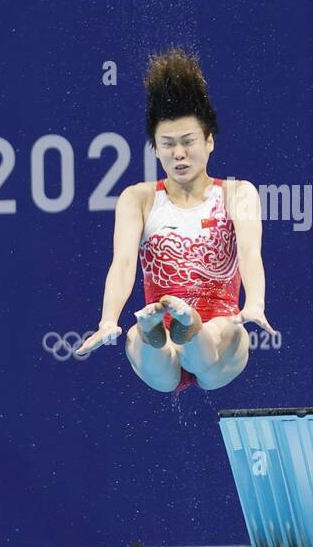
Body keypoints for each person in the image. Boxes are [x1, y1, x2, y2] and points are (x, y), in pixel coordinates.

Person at [76, 48, 275, 391]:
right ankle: (161, 331)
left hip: (221, 326)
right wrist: (108, 320)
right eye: (167, 144)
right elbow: (123, 264)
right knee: (151, 356)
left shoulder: (237, 193)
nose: (179, 153)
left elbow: (250, 254)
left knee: (221, 336)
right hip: (165, 329)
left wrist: (254, 304)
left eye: (188, 142)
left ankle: (189, 326)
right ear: (155, 147)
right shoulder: (137, 199)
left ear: (209, 141)